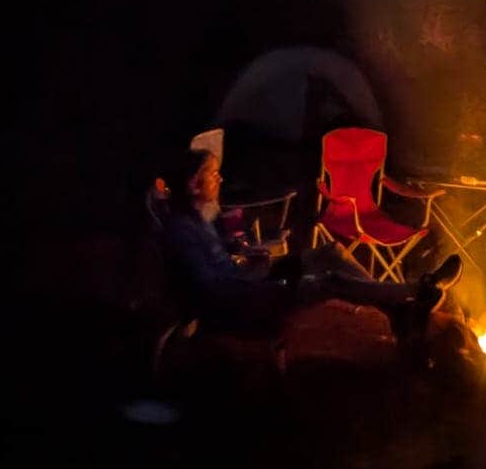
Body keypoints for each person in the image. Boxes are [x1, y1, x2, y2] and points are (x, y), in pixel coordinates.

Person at [159, 147, 462, 344]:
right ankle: (417, 291)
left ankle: (399, 312)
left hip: (247, 281)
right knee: (329, 281)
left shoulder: (199, 216)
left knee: (332, 253)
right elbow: (214, 291)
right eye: (212, 175)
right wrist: (268, 282)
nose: (219, 179)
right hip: (241, 302)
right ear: (193, 185)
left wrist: (243, 255)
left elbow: (218, 258)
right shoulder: (180, 231)